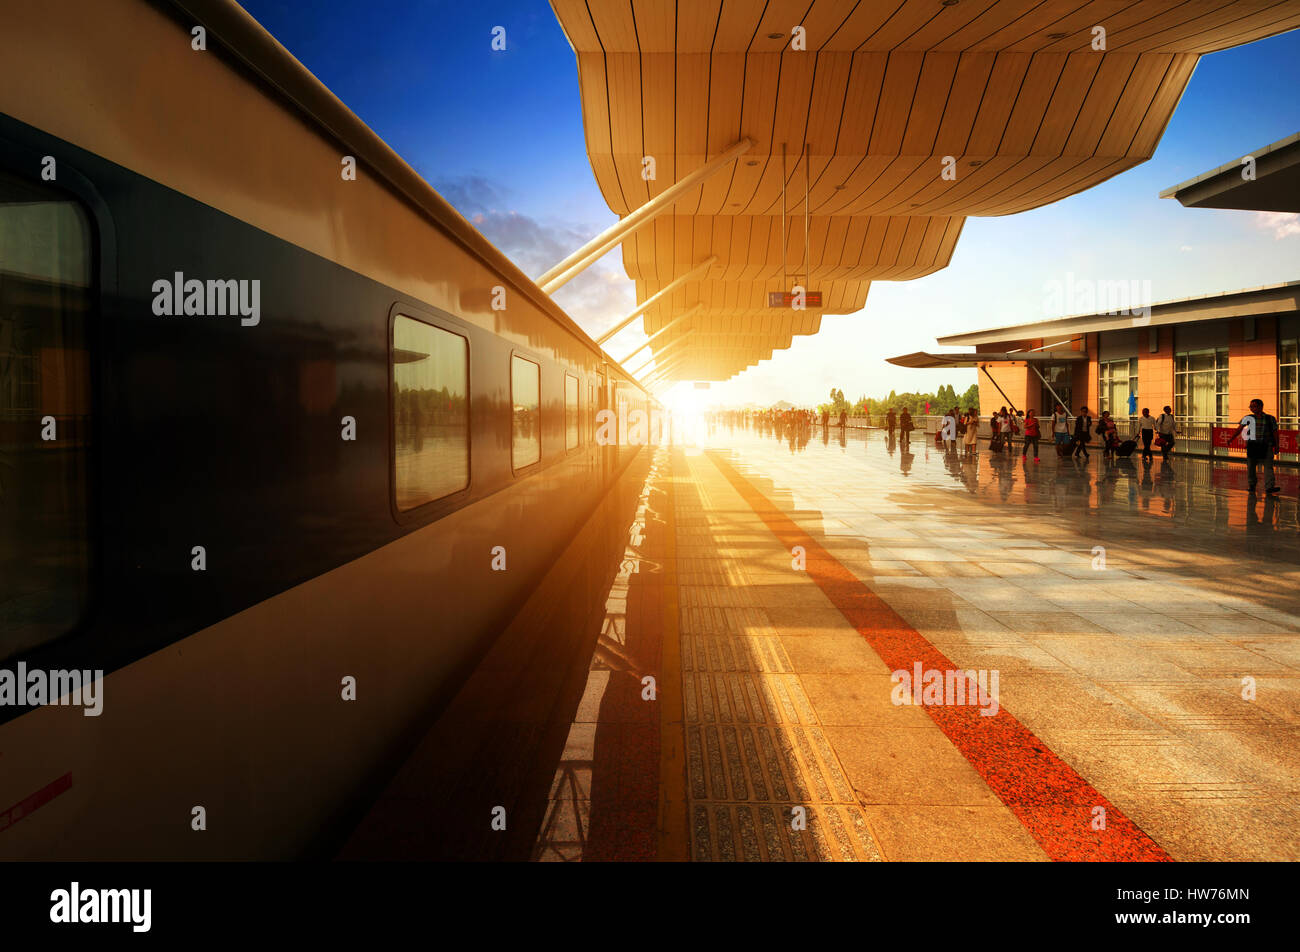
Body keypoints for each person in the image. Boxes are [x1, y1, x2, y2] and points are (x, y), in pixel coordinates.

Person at [1225, 398, 1280, 494]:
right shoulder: (1248, 418)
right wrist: (1231, 439)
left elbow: (1275, 433)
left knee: (1268, 467)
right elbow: (1239, 429)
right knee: (1251, 467)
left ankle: (1269, 487)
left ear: (1260, 407)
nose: (1252, 408)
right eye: (1251, 406)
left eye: (1254, 406)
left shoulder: (1270, 418)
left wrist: (1277, 446)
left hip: (1266, 446)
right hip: (1252, 446)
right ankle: (1252, 485)